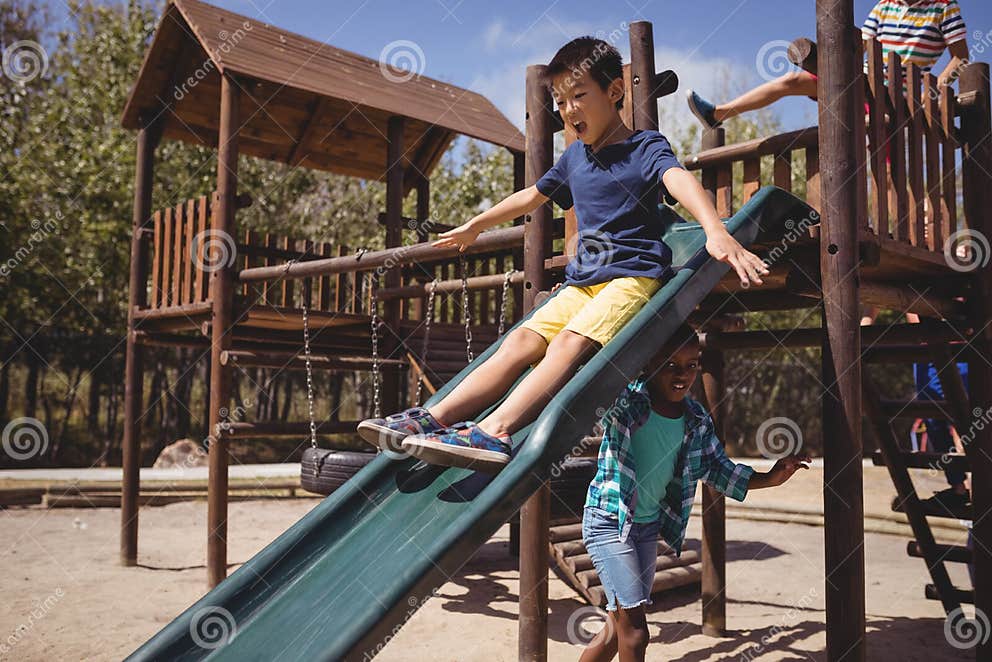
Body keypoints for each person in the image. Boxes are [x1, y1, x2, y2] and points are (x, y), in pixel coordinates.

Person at [356, 36, 770, 472]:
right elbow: (531, 196)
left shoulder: (644, 147)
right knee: (519, 341)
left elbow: (678, 180)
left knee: (568, 343)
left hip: (631, 279)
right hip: (583, 283)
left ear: (614, 92)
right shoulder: (575, 158)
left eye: (578, 96)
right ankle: (431, 418)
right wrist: (477, 225)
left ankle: (495, 431)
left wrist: (713, 230)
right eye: (560, 100)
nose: (569, 110)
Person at [578, 323, 810, 662]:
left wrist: (769, 478)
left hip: (645, 529)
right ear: (649, 363)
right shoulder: (627, 402)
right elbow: (592, 374)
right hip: (608, 522)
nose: (681, 375)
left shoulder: (695, 418)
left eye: (691, 365)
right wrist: (585, 326)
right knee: (636, 633)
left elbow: (717, 469)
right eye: (670, 364)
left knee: (617, 629)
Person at [686, 0, 970, 130]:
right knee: (791, 80)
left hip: (900, 93)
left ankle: (898, 222)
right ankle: (718, 114)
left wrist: (934, 89)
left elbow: (961, 56)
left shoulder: (944, 7)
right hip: (865, 82)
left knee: (881, 156)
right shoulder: (885, 7)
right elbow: (860, 46)